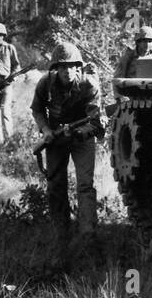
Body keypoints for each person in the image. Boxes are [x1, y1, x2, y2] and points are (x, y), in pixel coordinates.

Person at [31, 43, 104, 254]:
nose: (67, 71)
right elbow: (37, 109)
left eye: (72, 66)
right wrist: (45, 130)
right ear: (56, 69)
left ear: (78, 67)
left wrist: (80, 132)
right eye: (62, 67)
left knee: (85, 185)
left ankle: (88, 234)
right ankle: (61, 231)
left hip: (82, 138)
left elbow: (95, 121)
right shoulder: (45, 84)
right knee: (56, 184)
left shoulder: (89, 85)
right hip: (55, 138)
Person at [112, 24, 152, 96]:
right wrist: (118, 97)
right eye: (144, 41)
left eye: (150, 41)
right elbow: (117, 80)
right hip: (131, 93)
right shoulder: (128, 58)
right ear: (138, 42)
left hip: (151, 93)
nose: (147, 44)